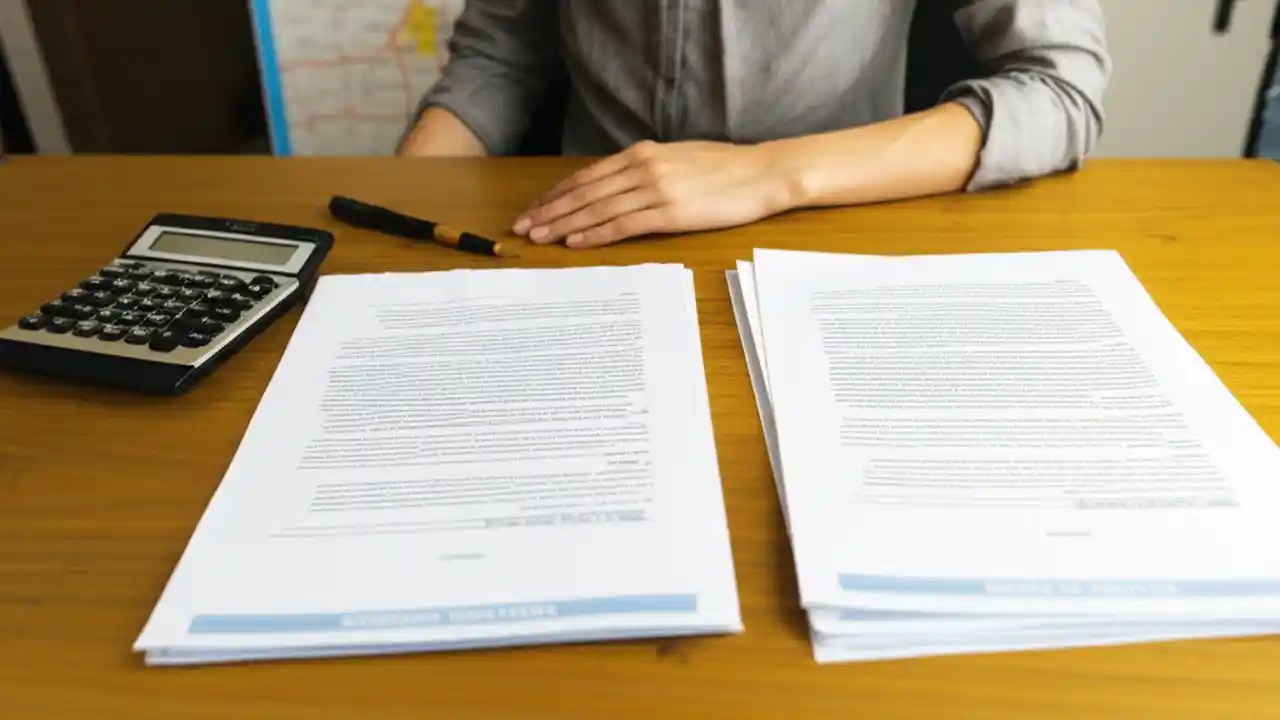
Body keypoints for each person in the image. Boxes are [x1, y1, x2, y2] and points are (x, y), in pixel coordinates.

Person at [399, 1, 1110, 249]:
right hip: (586, 231)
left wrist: (764, 172)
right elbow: (501, 52)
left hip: (834, 233)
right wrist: (395, 215)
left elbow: (1059, 89)